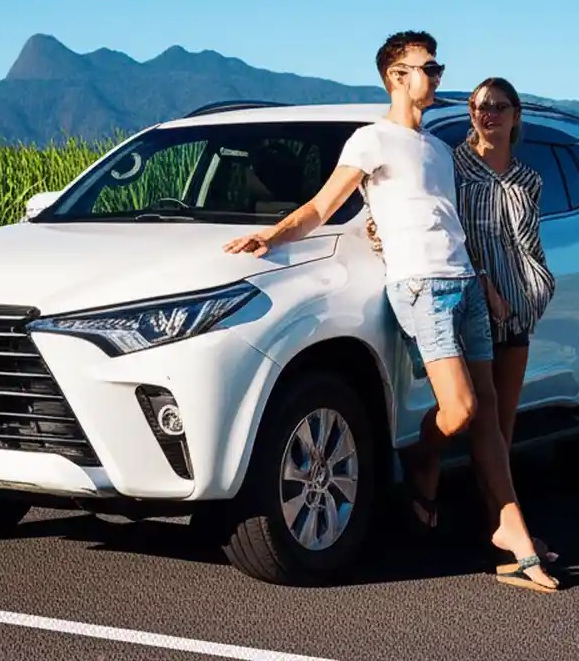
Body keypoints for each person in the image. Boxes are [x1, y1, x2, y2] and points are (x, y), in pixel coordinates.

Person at [222, 31, 559, 592]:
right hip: (421, 288)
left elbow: (449, 223)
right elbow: (322, 206)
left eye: (438, 65)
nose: (438, 75)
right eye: (429, 66)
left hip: (466, 284)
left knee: (489, 419)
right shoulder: (369, 141)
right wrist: (271, 236)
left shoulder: (436, 149)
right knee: (461, 410)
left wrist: (482, 279)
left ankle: (513, 536)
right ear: (396, 77)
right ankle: (423, 462)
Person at [454, 77, 558, 563]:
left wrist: (535, 293)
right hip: (472, 303)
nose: (486, 113)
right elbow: (449, 233)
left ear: (516, 116)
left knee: (503, 425)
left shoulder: (528, 180)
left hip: (516, 309)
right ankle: (503, 524)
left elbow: (529, 247)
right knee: (477, 415)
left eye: (497, 106)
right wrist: (483, 283)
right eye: (478, 106)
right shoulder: (454, 167)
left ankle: (496, 521)